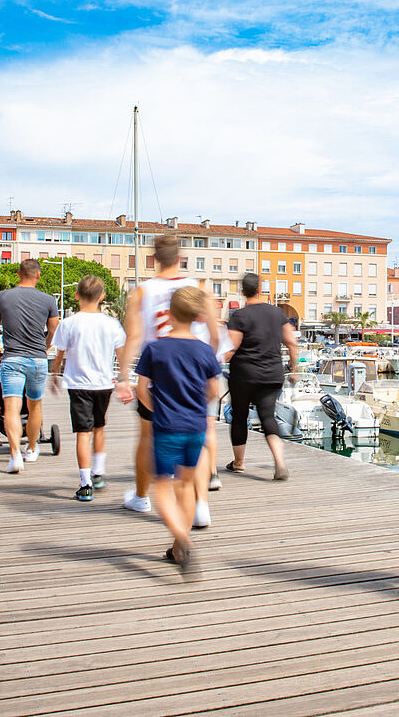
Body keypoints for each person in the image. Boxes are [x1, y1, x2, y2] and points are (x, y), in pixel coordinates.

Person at [121, 234, 220, 527]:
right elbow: (215, 335)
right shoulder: (199, 289)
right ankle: (200, 504)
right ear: (180, 258)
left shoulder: (140, 291)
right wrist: (206, 363)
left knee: (148, 437)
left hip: (158, 376)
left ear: (154, 259)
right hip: (196, 375)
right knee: (198, 441)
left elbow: (134, 336)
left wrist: (123, 377)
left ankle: (141, 497)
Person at [134, 286, 221, 566]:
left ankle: (182, 538)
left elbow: (141, 390)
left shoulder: (155, 348)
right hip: (195, 427)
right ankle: (178, 546)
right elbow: (214, 391)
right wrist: (195, 406)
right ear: (197, 317)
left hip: (166, 426)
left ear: (169, 314)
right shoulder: (205, 350)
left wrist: (156, 409)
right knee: (185, 486)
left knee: (161, 485)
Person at [49, 275, 134, 502]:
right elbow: (121, 354)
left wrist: (55, 375)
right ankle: (98, 473)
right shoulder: (111, 324)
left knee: (82, 434)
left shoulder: (68, 323)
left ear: (76, 295)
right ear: (102, 297)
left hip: (78, 385)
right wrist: (123, 378)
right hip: (104, 384)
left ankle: (85, 485)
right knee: (99, 427)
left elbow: (59, 354)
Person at [0, 259, 60, 474]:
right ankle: (32, 448)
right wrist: (44, 348)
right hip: (37, 360)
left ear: (18, 274)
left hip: (12, 360)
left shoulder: (1, 297)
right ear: (38, 275)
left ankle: (15, 455)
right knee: (35, 405)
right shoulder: (48, 300)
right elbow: (54, 331)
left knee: (11, 408)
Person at [225, 272, 298, 480]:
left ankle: (238, 463)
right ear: (260, 289)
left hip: (244, 375)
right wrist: (293, 370)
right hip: (272, 374)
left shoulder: (239, 316)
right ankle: (280, 463)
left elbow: (231, 348)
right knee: (268, 416)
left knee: (239, 415)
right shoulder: (277, 314)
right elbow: (292, 343)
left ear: (243, 292)